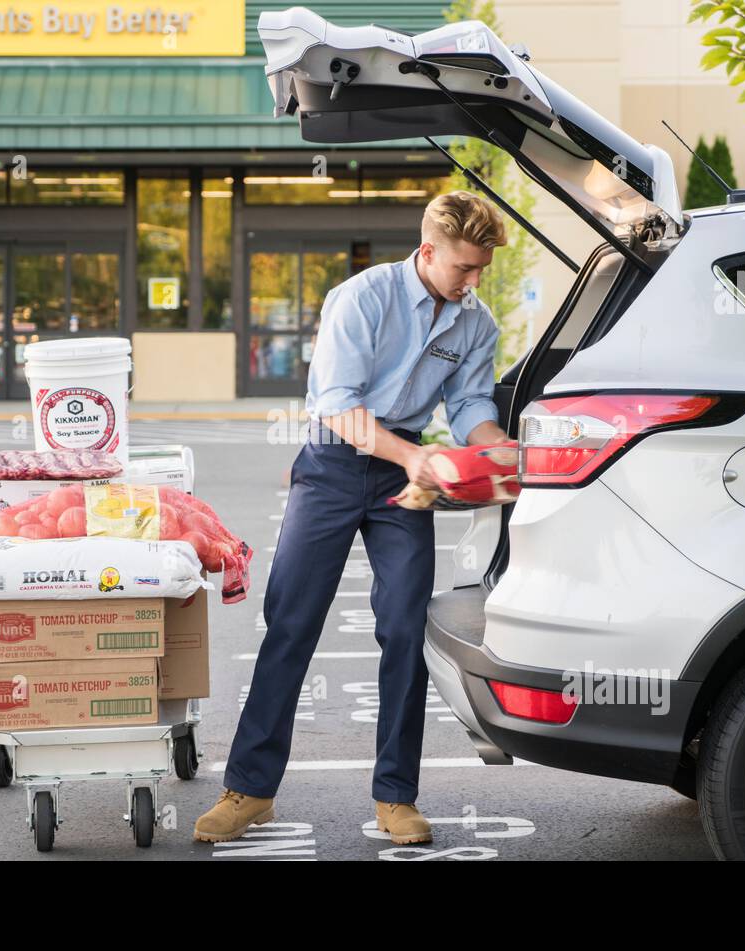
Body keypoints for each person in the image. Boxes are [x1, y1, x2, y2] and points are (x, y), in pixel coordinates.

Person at [195, 190, 510, 845]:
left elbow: (472, 405)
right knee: (292, 620)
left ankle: (396, 796)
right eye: (464, 268)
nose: (474, 281)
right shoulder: (363, 298)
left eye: (482, 269)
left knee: (404, 628)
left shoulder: (475, 323)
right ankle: (249, 789)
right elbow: (336, 403)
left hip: (404, 477)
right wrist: (415, 455)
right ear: (428, 251)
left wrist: (502, 451)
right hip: (336, 462)